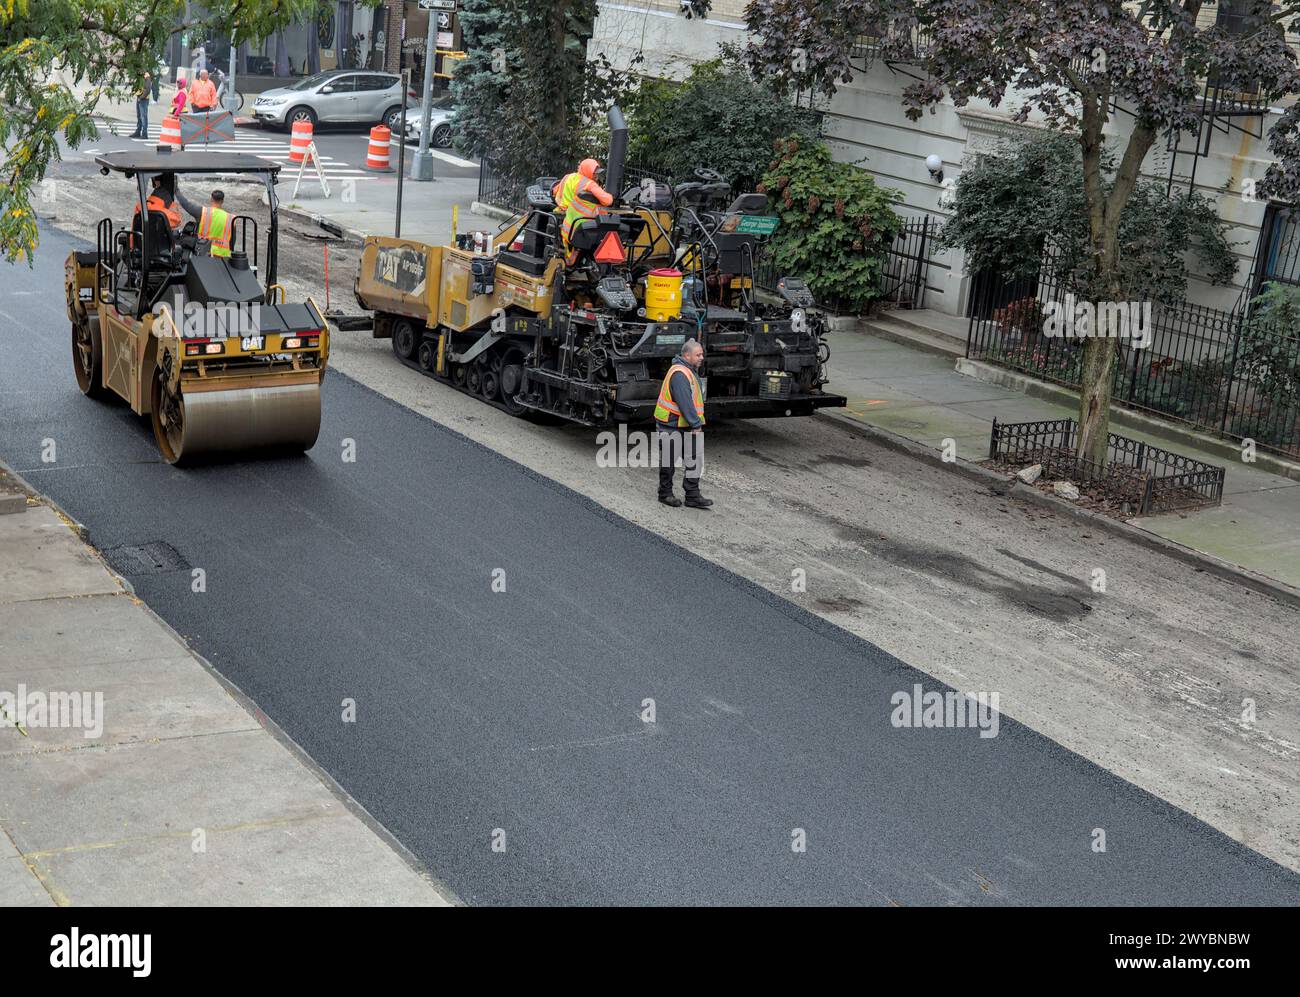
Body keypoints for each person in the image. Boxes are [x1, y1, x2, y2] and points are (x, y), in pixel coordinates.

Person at [654, 338, 713, 509]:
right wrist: (696, 424)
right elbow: (685, 402)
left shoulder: (688, 370)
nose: (702, 357)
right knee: (669, 461)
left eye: (702, 354)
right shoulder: (680, 374)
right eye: (698, 355)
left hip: (684, 425)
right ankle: (665, 494)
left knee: (694, 459)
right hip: (671, 425)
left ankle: (692, 495)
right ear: (687, 355)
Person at [553, 158, 612, 265]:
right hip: (577, 217)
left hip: (560, 213)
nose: (595, 176)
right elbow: (607, 200)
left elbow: (555, 190)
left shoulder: (568, 177)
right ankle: (575, 254)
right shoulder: (589, 184)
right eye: (594, 173)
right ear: (587, 171)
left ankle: (567, 255)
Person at [176, 187, 232, 258]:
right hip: (223, 257)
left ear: (211, 199)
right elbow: (232, 242)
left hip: (203, 253)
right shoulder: (230, 218)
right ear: (223, 201)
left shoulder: (203, 212)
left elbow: (186, 204)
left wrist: (176, 191)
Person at [130, 73, 151, 139]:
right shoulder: (140, 76)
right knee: (139, 116)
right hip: (139, 98)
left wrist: (141, 97)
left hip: (144, 99)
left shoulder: (147, 77)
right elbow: (137, 87)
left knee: (143, 116)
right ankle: (138, 131)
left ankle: (144, 134)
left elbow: (148, 89)